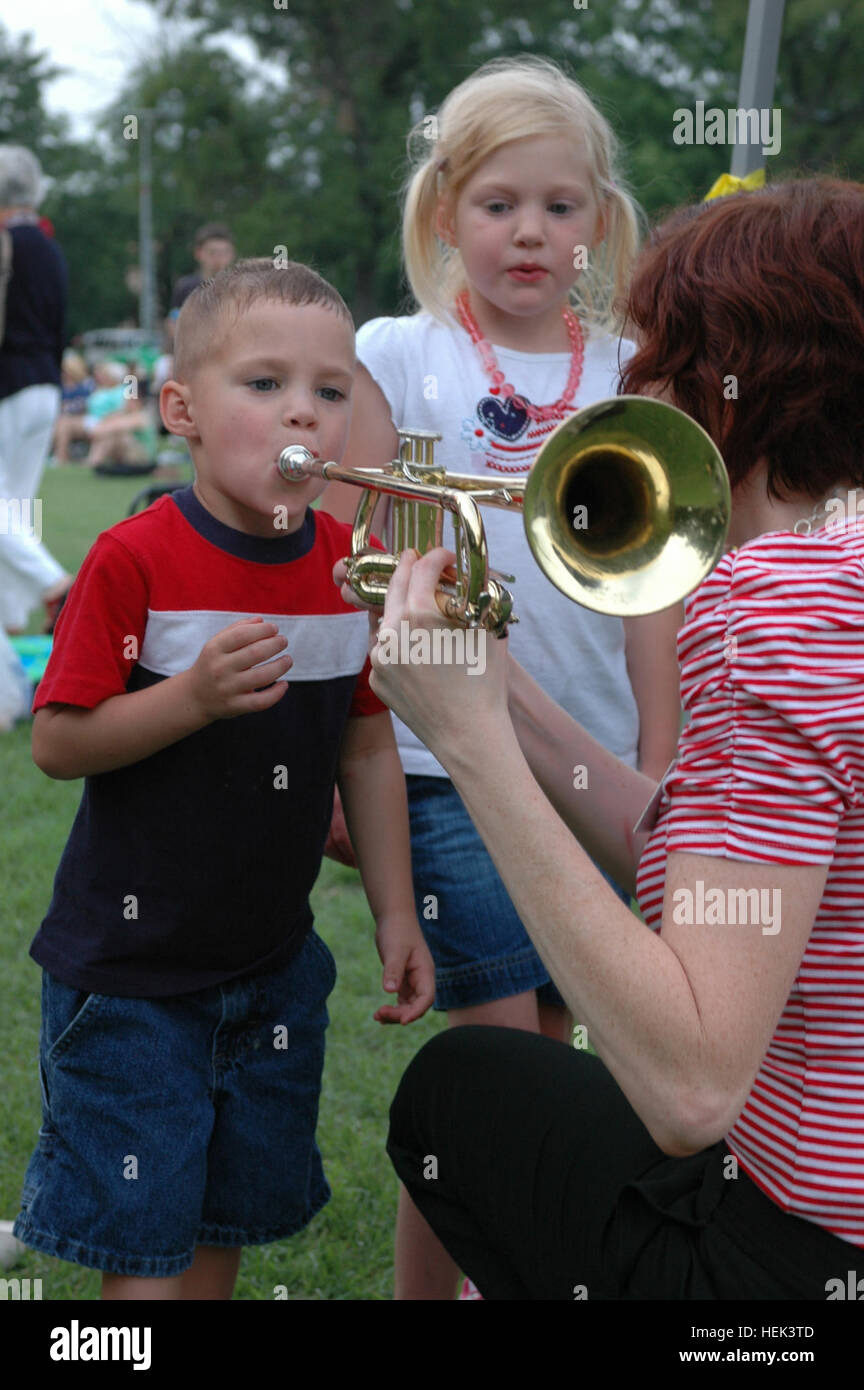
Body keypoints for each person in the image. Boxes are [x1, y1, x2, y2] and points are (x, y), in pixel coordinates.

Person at [343, 176, 864, 1299]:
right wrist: (506, 690)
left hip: (795, 1268)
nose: (646, 389)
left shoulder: (777, 602)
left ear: (735, 377)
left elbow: (689, 1088)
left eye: (664, 358)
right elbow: (726, 888)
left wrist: (468, 742)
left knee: (466, 1084)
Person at [320, 54, 682, 1299]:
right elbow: (344, 549)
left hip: (590, 765)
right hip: (441, 765)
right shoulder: (394, 352)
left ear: (601, 221)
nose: (531, 231)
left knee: (569, 1049)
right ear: (443, 213)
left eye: (561, 206)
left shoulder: (634, 366)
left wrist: (660, 766)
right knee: (493, 1070)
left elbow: (656, 590)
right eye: (497, 203)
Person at [12, 258, 435, 1300]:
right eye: (264, 384)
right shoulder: (134, 556)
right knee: (146, 1245)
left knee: (219, 1225)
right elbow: (59, 741)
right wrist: (190, 698)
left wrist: (395, 910)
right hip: (132, 973)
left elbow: (367, 745)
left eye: (330, 391)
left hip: (272, 966)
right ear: (181, 411)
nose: (305, 411)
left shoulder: (344, 562)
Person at [0, 145, 72, 633]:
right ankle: (10, 622)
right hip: (45, 385)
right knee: (15, 516)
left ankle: (53, 583)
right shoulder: (49, 247)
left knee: (7, 516)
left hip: (8, 385)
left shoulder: (6, 243)